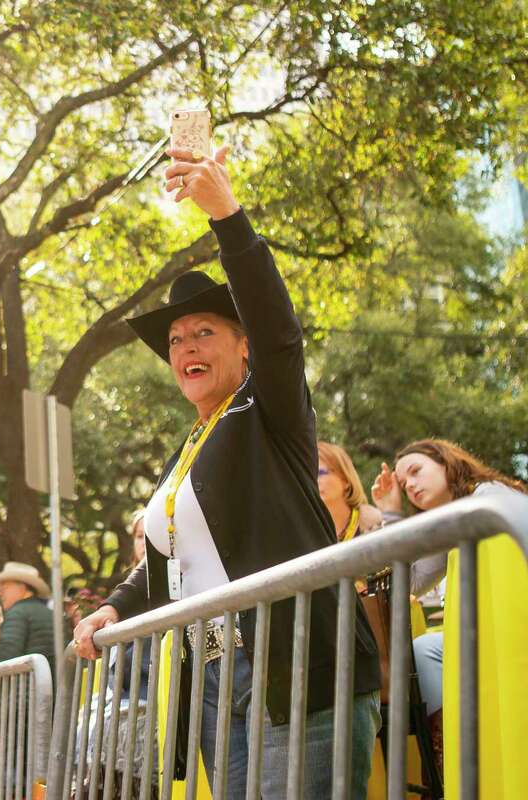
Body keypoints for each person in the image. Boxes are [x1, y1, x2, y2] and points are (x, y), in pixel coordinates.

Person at [72, 147, 382, 798]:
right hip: (214, 671)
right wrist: (111, 608)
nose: (185, 346)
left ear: (243, 345)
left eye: (204, 332)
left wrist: (227, 219)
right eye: (177, 340)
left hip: (293, 661)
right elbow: (166, 554)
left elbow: (279, 332)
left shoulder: (266, 410)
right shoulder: (187, 448)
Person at [372, 438, 528, 790]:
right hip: (485, 638)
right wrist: (392, 513)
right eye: (403, 481)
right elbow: (407, 583)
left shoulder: (491, 497)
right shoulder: (451, 524)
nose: (410, 484)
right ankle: (447, 756)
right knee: (425, 650)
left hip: (514, 632)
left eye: (416, 471)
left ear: (446, 462)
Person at [0, 562, 55, 672]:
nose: (0, 593)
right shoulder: (51, 614)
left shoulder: (17, 612)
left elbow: (5, 658)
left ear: (22, 588)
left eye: (5, 587)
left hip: (27, 687)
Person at [317, 441, 383, 541]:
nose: (313, 481)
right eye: (308, 477)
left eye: (320, 473)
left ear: (345, 480)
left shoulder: (376, 523)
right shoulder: (306, 531)